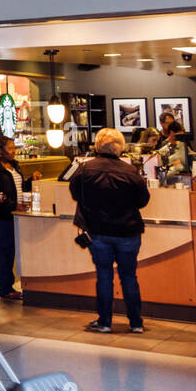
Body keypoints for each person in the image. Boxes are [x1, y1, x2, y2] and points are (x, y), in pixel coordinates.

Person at [70, 128, 151, 333]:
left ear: (98, 145)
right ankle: (136, 323)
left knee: (104, 275)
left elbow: (75, 193)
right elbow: (143, 200)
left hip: (98, 231)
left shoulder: (85, 169)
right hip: (128, 231)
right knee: (129, 276)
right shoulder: (130, 171)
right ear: (120, 147)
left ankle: (105, 322)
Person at [0, 135, 40, 301]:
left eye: (14, 148)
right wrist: (12, 205)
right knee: (2, 251)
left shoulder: (15, 165)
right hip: (2, 216)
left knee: (12, 251)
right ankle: (5, 288)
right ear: (0, 150)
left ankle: (10, 285)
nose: (14, 151)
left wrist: (31, 181)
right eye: (10, 148)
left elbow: (18, 188)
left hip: (16, 214)